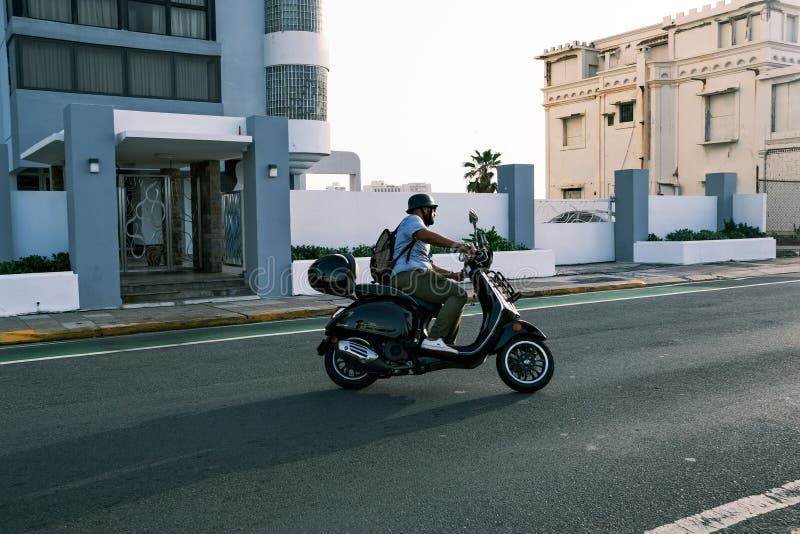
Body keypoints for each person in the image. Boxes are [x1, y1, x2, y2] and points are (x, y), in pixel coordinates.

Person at [391, 193, 476, 354]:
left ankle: (445, 344)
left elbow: (430, 266)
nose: (435, 214)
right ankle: (434, 340)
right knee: (458, 295)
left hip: (416, 274)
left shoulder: (417, 230)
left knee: (452, 305)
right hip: (409, 276)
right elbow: (428, 237)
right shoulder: (413, 221)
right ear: (424, 209)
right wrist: (459, 246)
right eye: (433, 209)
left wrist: (452, 275)